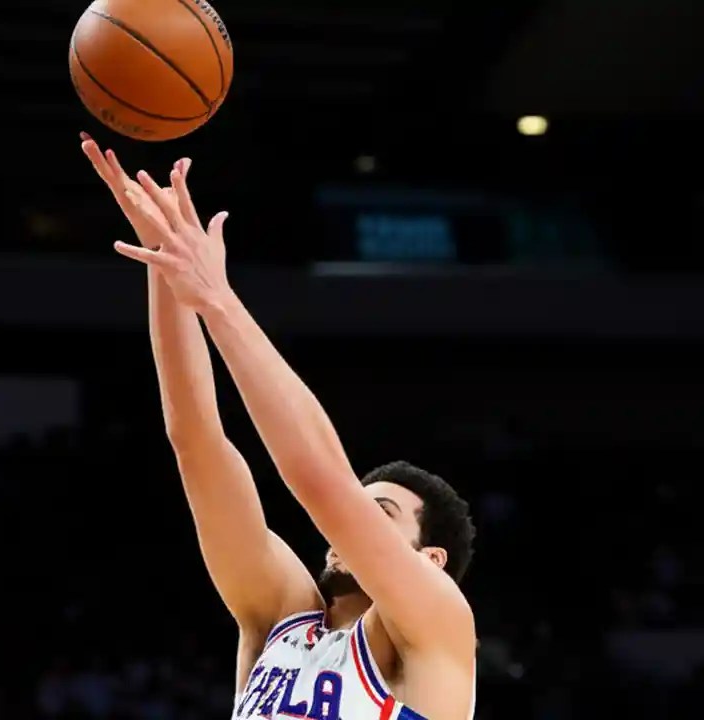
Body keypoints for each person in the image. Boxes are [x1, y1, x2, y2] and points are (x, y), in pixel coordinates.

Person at [80, 133, 478, 720]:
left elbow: (322, 481)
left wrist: (218, 301)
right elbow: (196, 443)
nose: (348, 527)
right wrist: (164, 258)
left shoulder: (436, 626)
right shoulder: (280, 618)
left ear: (432, 559)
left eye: (380, 514)